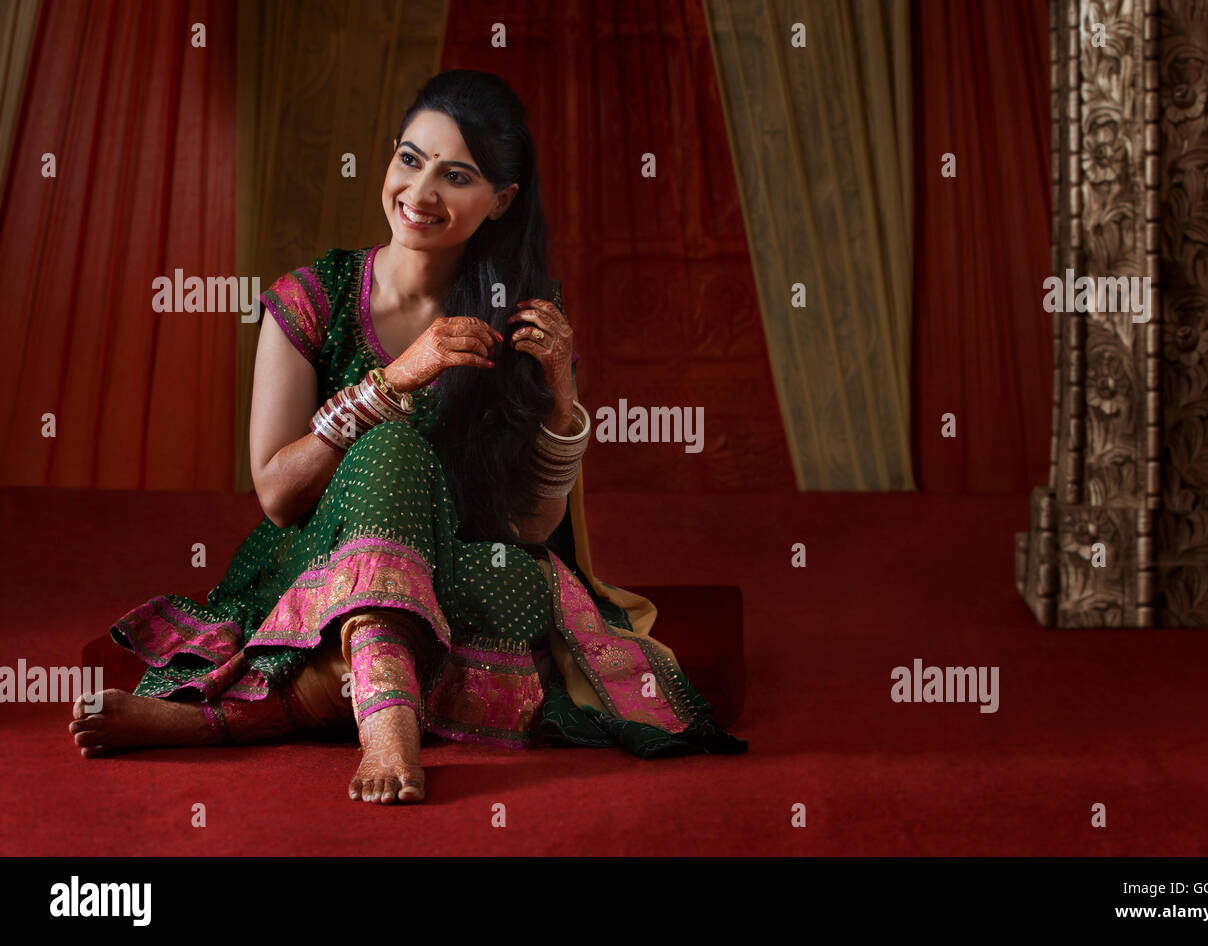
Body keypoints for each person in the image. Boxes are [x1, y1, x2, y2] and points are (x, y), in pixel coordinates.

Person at [69, 69, 746, 804]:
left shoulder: (518, 319)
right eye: (410, 160)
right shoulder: (315, 297)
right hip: (316, 563)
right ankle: (390, 727)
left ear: (501, 200)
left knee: (523, 590)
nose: (420, 193)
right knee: (391, 448)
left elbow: (528, 527)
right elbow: (277, 495)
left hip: (455, 569)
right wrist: (390, 384)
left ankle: (217, 722)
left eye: (457, 176)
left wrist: (560, 401)